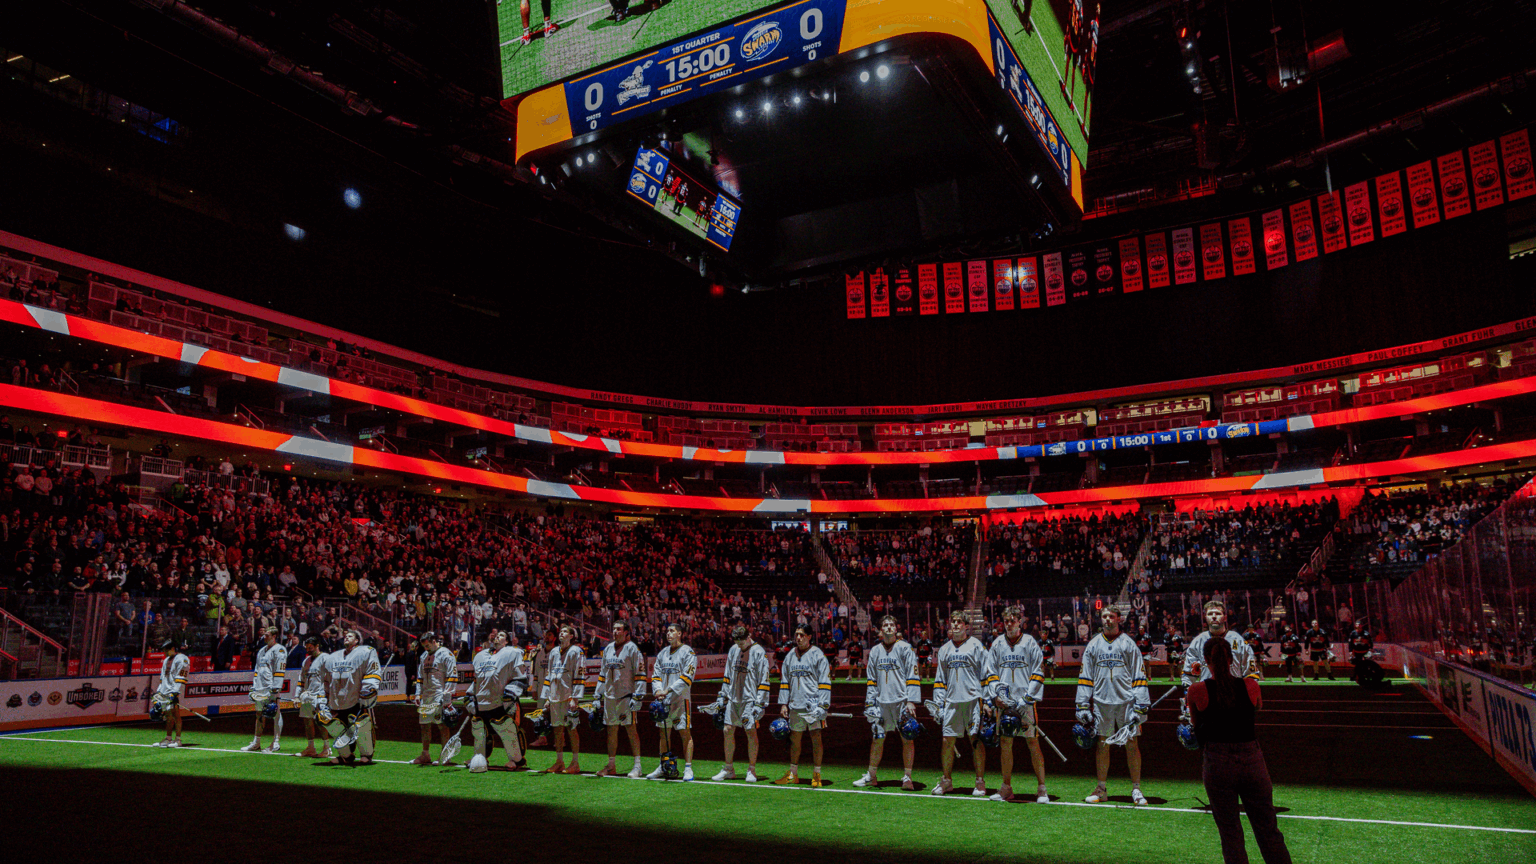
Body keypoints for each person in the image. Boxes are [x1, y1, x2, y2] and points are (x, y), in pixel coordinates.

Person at [1188, 636, 1293, 864]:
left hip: (1217, 761)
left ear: (1206, 660)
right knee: (1268, 828)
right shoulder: (1250, 686)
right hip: (1251, 759)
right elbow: (1257, 707)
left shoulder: (1197, 690)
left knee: (1230, 833)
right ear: (1231, 659)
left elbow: (1196, 727)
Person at [1077, 606, 1151, 805]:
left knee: (1132, 744)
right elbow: (1085, 676)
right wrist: (1082, 704)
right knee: (1102, 744)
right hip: (1102, 702)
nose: (1108, 619)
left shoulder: (1129, 644)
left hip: (1126, 702)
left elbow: (1139, 675)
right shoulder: (1093, 645)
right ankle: (1101, 789)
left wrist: (1141, 704)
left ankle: (1136, 789)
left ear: (1119, 619)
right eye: (1104, 616)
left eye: (1111, 616)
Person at [930, 611, 996, 797]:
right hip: (951, 702)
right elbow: (940, 679)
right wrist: (939, 704)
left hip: (973, 701)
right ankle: (946, 781)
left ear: (967, 626)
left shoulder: (976, 646)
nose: (956, 624)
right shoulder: (944, 649)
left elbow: (987, 674)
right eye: (953, 621)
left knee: (976, 741)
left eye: (959, 622)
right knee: (947, 742)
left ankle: (980, 782)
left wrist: (987, 701)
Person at [988, 607, 1050, 804]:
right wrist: (996, 696)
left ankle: (1042, 788)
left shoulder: (1030, 642)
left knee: (1032, 742)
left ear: (1020, 621)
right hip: (1005, 704)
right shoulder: (997, 644)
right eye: (1006, 620)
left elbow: (1038, 672)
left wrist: (1027, 698)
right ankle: (1006, 787)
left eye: (1013, 620)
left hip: (1025, 703)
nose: (1009, 624)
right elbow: (991, 673)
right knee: (1005, 743)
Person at [854, 616, 920, 791]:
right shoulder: (875, 651)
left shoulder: (905, 648)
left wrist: (911, 701)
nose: (889, 627)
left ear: (896, 629)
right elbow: (871, 680)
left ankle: (907, 777)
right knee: (877, 739)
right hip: (881, 703)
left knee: (907, 739)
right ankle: (872, 776)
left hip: (901, 702)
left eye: (892, 625)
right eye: (885, 625)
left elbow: (913, 675)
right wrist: (870, 704)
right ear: (880, 630)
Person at [710, 624, 769, 782]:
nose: (739, 646)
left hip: (750, 699)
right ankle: (728, 768)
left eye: (742, 643)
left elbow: (764, 679)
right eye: (737, 643)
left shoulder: (758, 652)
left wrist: (760, 703)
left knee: (750, 732)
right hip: (734, 698)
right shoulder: (733, 650)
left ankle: (752, 770)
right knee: (727, 730)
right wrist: (722, 695)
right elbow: (728, 674)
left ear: (749, 637)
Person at [466, 629, 529, 773]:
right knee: (479, 730)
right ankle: (479, 757)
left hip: (500, 702)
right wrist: (470, 695)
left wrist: (511, 695)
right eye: (495, 635)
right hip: (481, 702)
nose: (496, 637)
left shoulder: (512, 653)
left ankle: (516, 760)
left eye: (501, 635)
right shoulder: (480, 656)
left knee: (507, 730)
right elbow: (477, 680)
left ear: (506, 641)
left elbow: (520, 678)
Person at [775, 624, 831, 788]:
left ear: (809, 637)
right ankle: (793, 774)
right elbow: (785, 681)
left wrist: (823, 705)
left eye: (802, 635)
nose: (798, 638)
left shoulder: (818, 655)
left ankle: (817, 774)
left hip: (813, 707)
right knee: (795, 740)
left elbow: (825, 682)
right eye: (796, 634)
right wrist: (783, 703)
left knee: (816, 739)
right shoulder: (790, 656)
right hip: (795, 706)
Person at [594, 621, 648, 778]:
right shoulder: (608, 649)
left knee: (631, 730)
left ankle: (637, 765)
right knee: (611, 731)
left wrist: (638, 696)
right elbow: (603, 674)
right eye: (614, 629)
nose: (615, 632)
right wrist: (597, 695)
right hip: (610, 697)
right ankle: (611, 765)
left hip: (626, 696)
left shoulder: (632, 649)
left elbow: (640, 674)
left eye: (619, 629)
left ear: (626, 632)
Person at [322, 628, 382, 765]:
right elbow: (327, 678)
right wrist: (325, 695)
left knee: (361, 726)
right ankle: (345, 755)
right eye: (345, 636)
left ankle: (366, 754)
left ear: (356, 640)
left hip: (357, 698)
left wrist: (369, 688)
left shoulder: (366, 652)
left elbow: (372, 671)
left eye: (350, 636)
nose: (346, 638)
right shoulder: (334, 657)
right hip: (338, 700)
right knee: (339, 727)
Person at [646, 622, 697, 781]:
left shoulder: (688, 652)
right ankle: (663, 765)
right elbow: (656, 676)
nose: (668, 633)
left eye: (672, 631)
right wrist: (657, 691)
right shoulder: (662, 653)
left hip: (681, 700)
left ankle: (688, 768)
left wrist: (667, 690)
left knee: (685, 733)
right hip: (663, 701)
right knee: (663, 734)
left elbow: (687, 678)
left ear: (679, 634)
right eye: (667, 631)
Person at [540, 624, 585, 775]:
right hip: (555, 696)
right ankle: (559, 761)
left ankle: (575, 762)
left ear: (571, 636)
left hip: (568, 696)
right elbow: (549, 674)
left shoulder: (576, 651)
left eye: (565, 632)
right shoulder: (554, 652)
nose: (561, 633)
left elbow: (579, 674)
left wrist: (575, 698)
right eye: (561, 631)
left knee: (571, 729)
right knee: (557, 730)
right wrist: (547, 696)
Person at [411, 631, 459, 766]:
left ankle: (445, 755)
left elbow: (452, 676)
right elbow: (420, 677)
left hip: (439, 694)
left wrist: (447, 697)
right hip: (426, 696)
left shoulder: (446, 654)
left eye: (427, 646)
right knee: (424, 725)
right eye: (424, 647)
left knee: (442, 725)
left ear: (434, 641)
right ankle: (425, 754)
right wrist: (418, 693)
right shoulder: (424, 656)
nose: (426, 649)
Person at [241, 626, 287, 752]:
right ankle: (256, 742)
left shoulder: (280, 650)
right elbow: (257, 670)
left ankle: (276, 742)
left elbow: (280, 670)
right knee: (259, 714)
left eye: (267, 635)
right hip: (260, 688)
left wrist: (276, 688)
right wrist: (254, 687)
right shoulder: (262, 650)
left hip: (271, 688)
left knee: (275, 713)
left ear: (274, 636)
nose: (264, 637)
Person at [296, 636, 333, 758]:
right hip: (307, 696)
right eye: (306, 648)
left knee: (321, 722)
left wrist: (329, 695)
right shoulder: (306, 661)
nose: (308, 650)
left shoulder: (325, 658)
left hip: (320, 696)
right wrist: (297, 696)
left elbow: (331, 678)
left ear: (317, 646)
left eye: (310, 647)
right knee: (307, 721)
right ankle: (311, 747)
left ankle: (327, 748)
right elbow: (301, 680)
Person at [152, 639, 190, 747]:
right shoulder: (166, 660)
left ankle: (178, 740)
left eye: (166, 650)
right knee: (168, 716)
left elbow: (181, 677)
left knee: (175, 715)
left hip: (173, 692)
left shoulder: (182, 659)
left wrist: (175, 693)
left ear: (173, 649)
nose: (164, 653)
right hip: (164, 692)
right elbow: (163, 678)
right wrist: (158, 693)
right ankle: (168, 738)